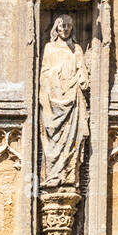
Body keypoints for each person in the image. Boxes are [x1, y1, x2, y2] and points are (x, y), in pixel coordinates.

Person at [39, 13, 89, 190]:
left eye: (69, 26)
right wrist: (56, 75)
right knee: (52, 141)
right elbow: (44, 73)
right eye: (62, 26)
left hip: (73, 100)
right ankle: (52, 175)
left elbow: (82, 70)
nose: (65, 29)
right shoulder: (49, 48)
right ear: (56, 28)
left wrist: (82, 78)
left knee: (72, 138)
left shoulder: (77, 49)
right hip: (54, 101)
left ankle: (68, 175)